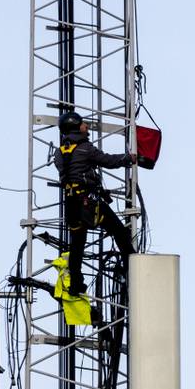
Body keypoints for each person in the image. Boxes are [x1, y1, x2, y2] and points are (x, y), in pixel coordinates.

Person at [53, 111, 136, 296]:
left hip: (71, 204)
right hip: (87, 203)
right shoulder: (85, 148)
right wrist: (128, 159)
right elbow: (108, 161)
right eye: (83, 124)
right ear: (76, 127)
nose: (86, 126)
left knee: (77, 245)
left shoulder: (59, 153)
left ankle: (76, 284)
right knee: (119, 231)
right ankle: (133, 266)